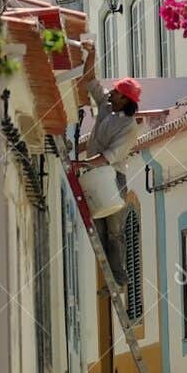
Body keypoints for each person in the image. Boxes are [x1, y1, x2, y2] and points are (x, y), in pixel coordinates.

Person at [78, 43, 141, 286]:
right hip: (96, 175)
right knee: (100, 230)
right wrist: (91, 53)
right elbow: (89, 79)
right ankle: (109, 278)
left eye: (116, 92)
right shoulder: (107, 107)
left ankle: (119, 278)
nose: (111, 94)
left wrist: (80, 164)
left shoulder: (128, 126)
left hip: (112, 178)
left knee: (114, 232)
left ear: (125, 100)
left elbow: (108, 157)